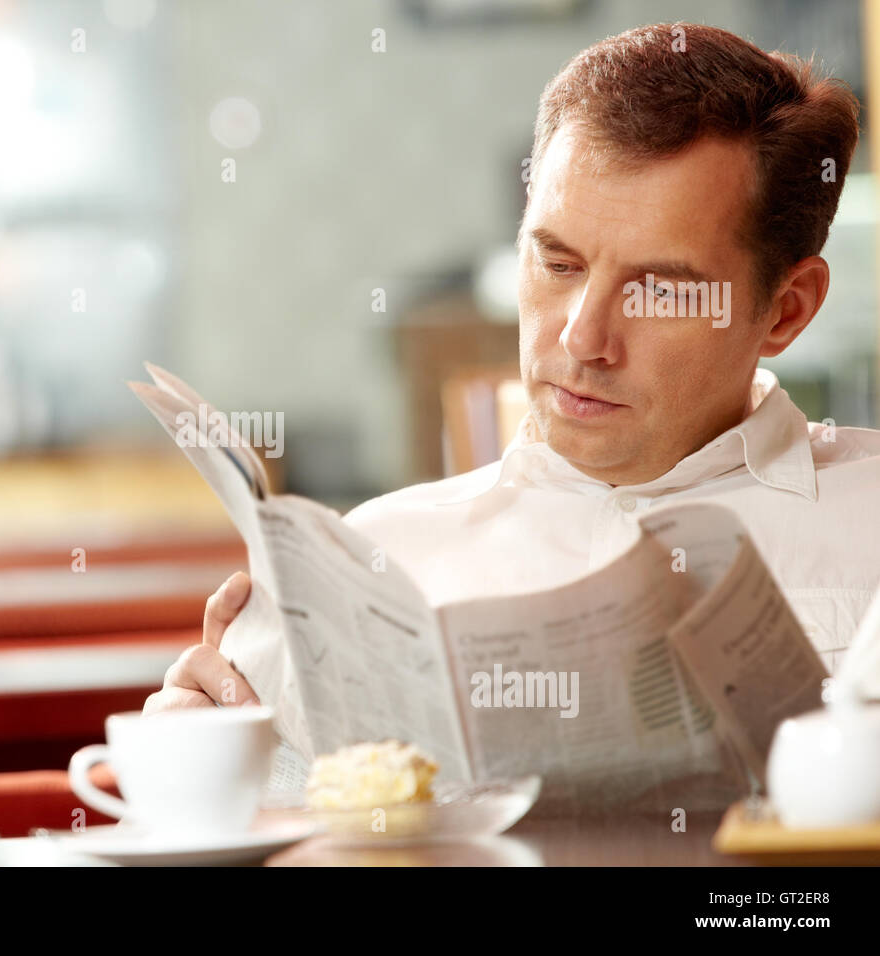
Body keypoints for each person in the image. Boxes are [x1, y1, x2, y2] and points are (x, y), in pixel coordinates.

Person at [147, 21, 880, 715]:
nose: (585, 338)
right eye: (557, 262)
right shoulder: (373, 563)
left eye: (658, 290)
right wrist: (204, 755)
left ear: (786, 310)